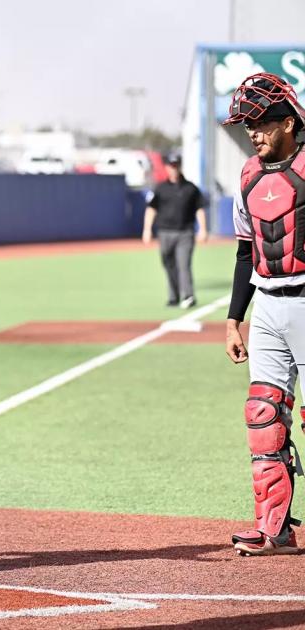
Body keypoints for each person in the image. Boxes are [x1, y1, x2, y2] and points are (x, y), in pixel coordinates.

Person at [222, 71, 305, 556]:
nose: (254, 132)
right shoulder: (249, 176)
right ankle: (275, 528)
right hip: (269, 306)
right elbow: (244, 250)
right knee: (264, 414)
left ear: (291, 123)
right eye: (248, 124)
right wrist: (235, 319)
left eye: (264, 122)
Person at [142, 152, 208, 308]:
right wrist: (146, 229)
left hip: (185, 232)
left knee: (183, 264)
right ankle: (173, 296)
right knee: (168, 264)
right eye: (171, 166)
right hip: (165, 232)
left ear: (180, 166)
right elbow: (151, 209)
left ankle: (188, 295)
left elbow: (199, 209)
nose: (173, 168)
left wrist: (203, 229)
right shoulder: (160, 188)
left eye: (176, 165)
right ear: (166, 167)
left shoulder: (191, 188)